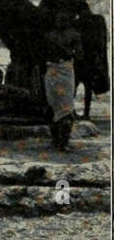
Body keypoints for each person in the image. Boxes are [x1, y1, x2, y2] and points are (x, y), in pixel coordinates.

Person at [43, 12, 82, 150]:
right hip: (52, 70)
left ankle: (63, 142)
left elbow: (79, 54)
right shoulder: (49, 36)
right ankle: (56, 140)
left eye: (63, 19)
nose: (60, 21)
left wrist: (66, 51)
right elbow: (43, 54)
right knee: (52, 106)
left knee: (66, 107)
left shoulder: (73, 35)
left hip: (65, 71)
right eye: (58, 19)